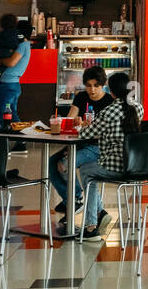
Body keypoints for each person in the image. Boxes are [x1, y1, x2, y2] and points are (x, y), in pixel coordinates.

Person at [70, 71, 143, 241]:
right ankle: (98, 214)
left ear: (111, 91)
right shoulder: (139, 108)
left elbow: (85, 135)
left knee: (86, 171)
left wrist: (82, 126)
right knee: (90, 172)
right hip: (138, 165)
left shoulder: (108, 112)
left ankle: (91, 226)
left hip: (116, 166)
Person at [50, 66, 113, 217]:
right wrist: (74, 121)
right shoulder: (81, 97)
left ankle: (74, 199)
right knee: (51, 163)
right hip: (79, 144)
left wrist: (90, 127)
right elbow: (70, 119)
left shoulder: (109, 101)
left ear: (103, 85)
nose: (92, 90)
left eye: (96, 86)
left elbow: (107, 132)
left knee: (64, 165)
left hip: (98, 147)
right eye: (88, 85)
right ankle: (73, 198)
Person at [0, 20, 32, 152]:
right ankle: (20, 142)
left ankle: (6, 145)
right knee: (12, 114)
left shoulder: (22, 45)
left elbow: (11, 62)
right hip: (13, 85)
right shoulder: (26, 45)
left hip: (8, 85)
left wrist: (0, 59)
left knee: (1, 113)